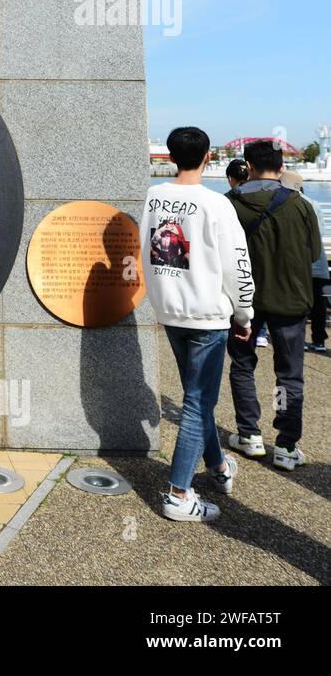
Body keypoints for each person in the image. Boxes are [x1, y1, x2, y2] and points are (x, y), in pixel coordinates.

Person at [141, 127, 253, 522]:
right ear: (208, 157)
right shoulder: (216, 204)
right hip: (207, 315)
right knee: (197, 402)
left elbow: (150, 252)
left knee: (195, 396)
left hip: (171, 312)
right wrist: (245, 313)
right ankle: (178, 495)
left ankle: (219, 468)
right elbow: (237, 265)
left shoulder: (155, 197)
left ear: (171, 158)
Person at [225, 140, 322, 471]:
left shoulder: (229, 205)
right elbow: (312, 255)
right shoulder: (301, 205)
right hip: (291, 302)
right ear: (281, 169)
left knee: (242, 366)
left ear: (248, 167)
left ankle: (249, 433)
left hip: (244, 302)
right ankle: (285, 444)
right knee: (289, 375)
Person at [279, 170, 330, 353]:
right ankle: (319, 341)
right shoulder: (314, 203)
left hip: (296, 262)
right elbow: (321, 232)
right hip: (318, 260)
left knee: (298, 305)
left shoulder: (285, 204)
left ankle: (297, 340)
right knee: (319, 304)